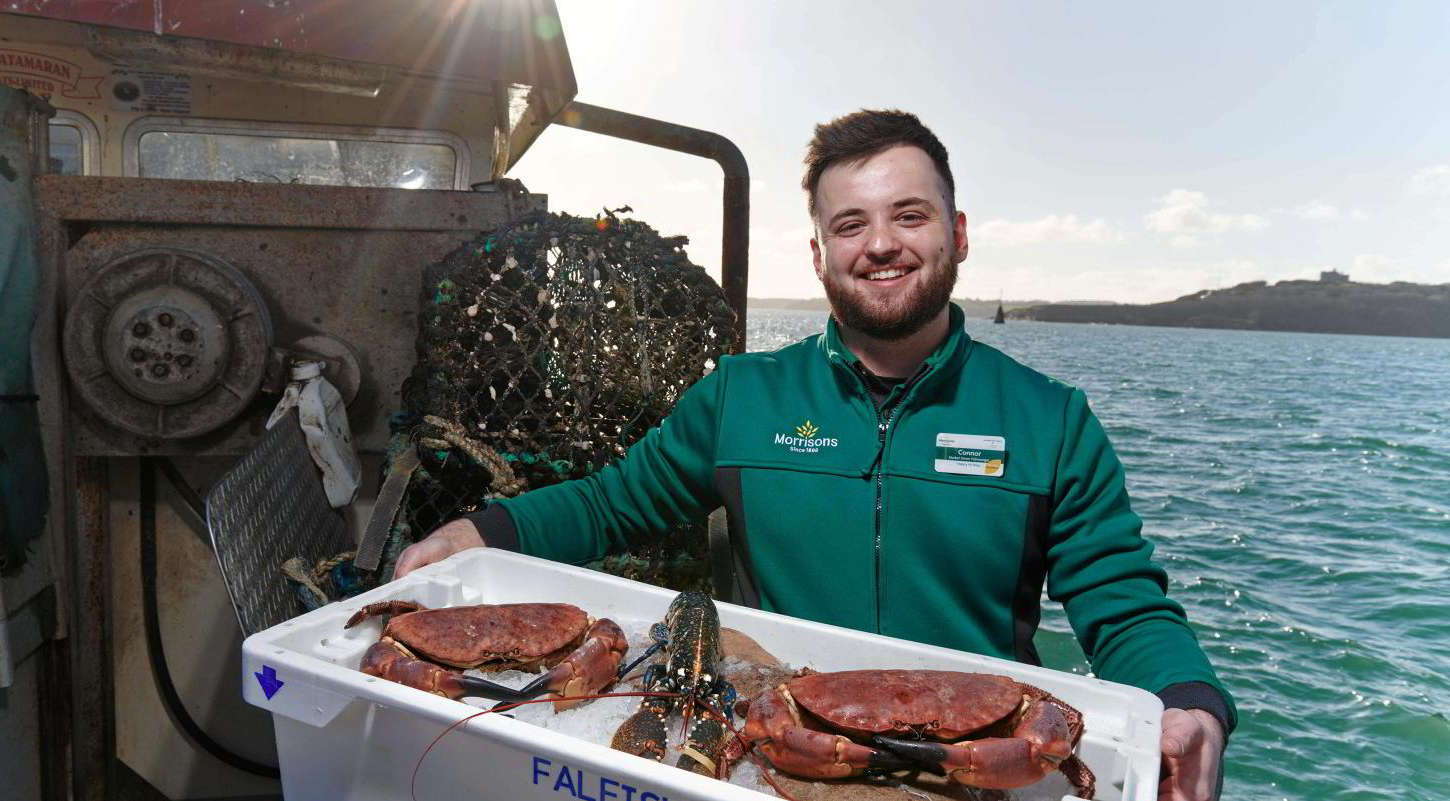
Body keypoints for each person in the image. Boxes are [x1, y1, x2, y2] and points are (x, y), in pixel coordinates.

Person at [396, 109, 1232, 801]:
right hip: (776, 757)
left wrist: (1190, 702)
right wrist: (481, 530)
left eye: (910, 214)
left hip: (981, 769)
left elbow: (1122, 602)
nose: (881, 244)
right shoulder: (740, 395)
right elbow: (612, 502)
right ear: (819, 253)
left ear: (959, 233)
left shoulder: (1053, 420)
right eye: (850, 224)